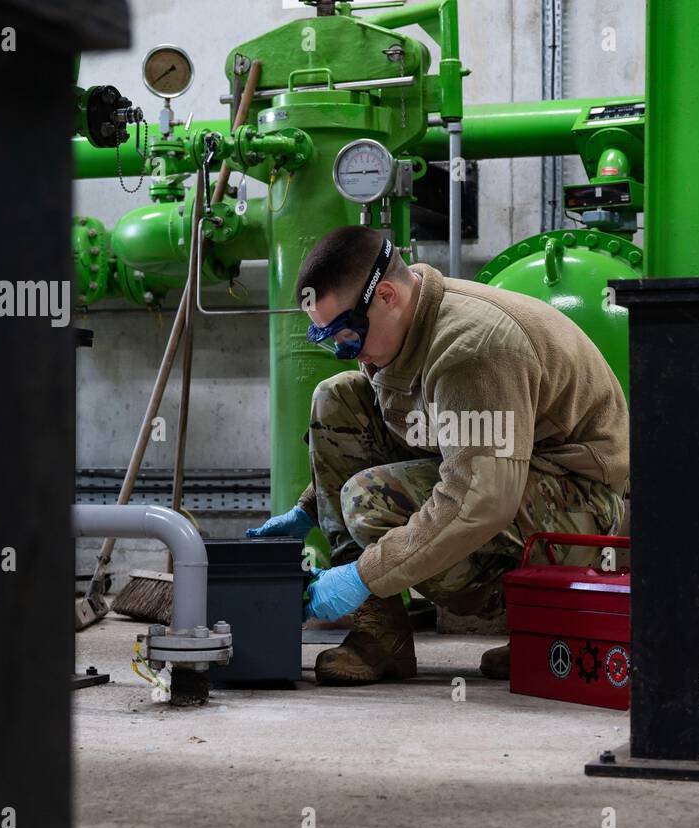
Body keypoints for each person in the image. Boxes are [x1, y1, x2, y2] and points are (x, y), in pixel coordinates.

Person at [248, 225, 628, 685]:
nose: (347, 352)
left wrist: (360, 577)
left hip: (580, 511)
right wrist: (309, 509)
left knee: (368, 499)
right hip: (520, 478)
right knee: (338, 397)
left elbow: (481, 499)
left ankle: (547, 623)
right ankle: (380, 632)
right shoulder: (400, 333)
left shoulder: (473, 348)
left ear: (386, 296)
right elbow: (405, 427)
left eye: (348, 335)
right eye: (331, 338)